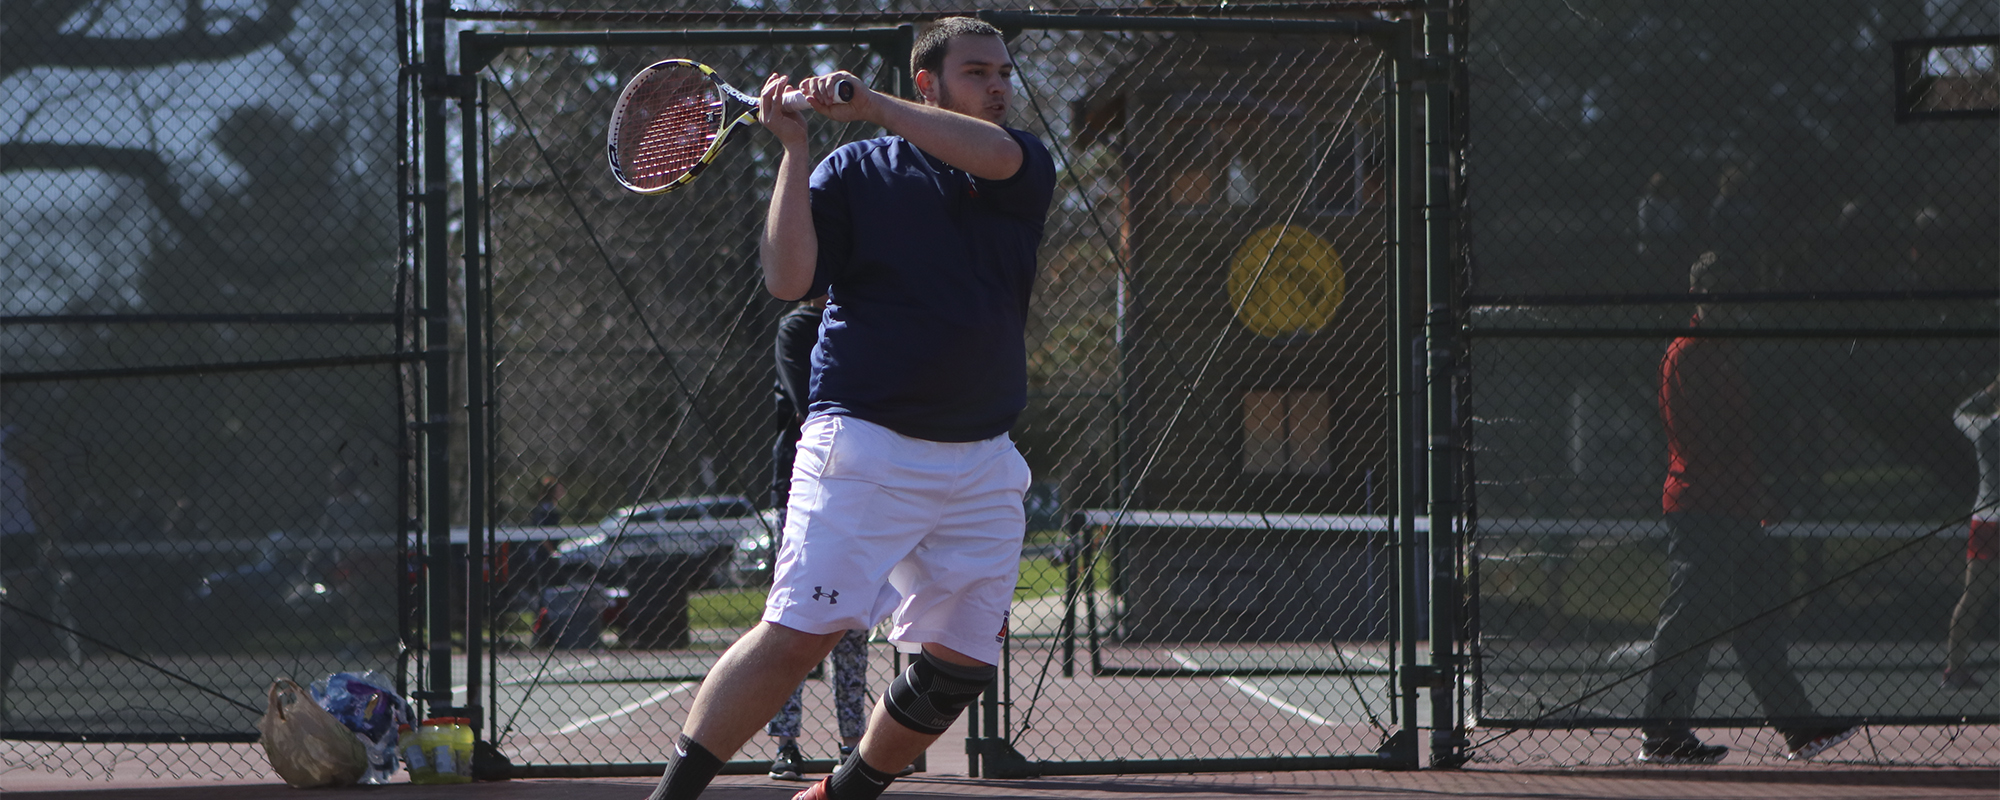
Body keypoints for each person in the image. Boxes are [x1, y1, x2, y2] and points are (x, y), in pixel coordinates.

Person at [642, 18, 1055, 800]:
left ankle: (847, 790)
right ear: (930, 80)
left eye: (1003, 72)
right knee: (800, 635)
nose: (999, 85)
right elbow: (789, 279)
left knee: (964, 658)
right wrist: (796, 152)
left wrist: (873, 105)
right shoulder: (854, 172)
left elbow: (994, 153)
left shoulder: (1020, 163)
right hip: (864, 443)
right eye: (977, 73)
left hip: (984, 456)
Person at [1638, 254, 1853, 765]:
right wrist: (1747, 491)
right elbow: (1704, 441)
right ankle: (1661, 732)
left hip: (1736, 507)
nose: (1721, 302)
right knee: (1690, 617)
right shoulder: (1686, 354)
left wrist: (1753, 494)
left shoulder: (1726, 353)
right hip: (1701, 508)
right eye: (1710, 291)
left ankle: (1798, 727)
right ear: (1695, 294)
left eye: (1729, 292)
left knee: (1757, 621)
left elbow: (1738, 438)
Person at [763, 296, 874, 781]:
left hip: (858, 485)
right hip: (802, 489)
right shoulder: (798, 328)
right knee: (792, 616)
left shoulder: (868, 321)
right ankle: (786, 745)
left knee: (851, 620)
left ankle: (853, 744)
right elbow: (813, 403)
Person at [1943, 376, 1998, 691]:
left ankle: (1955, 668)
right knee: (1974, 596)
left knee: (1973, 596)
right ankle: (1956, 669)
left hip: (1986, 520)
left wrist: (1989, 390)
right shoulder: (1989, 428)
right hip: (1991, 521)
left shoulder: (1983, 428)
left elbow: (1959, 413)